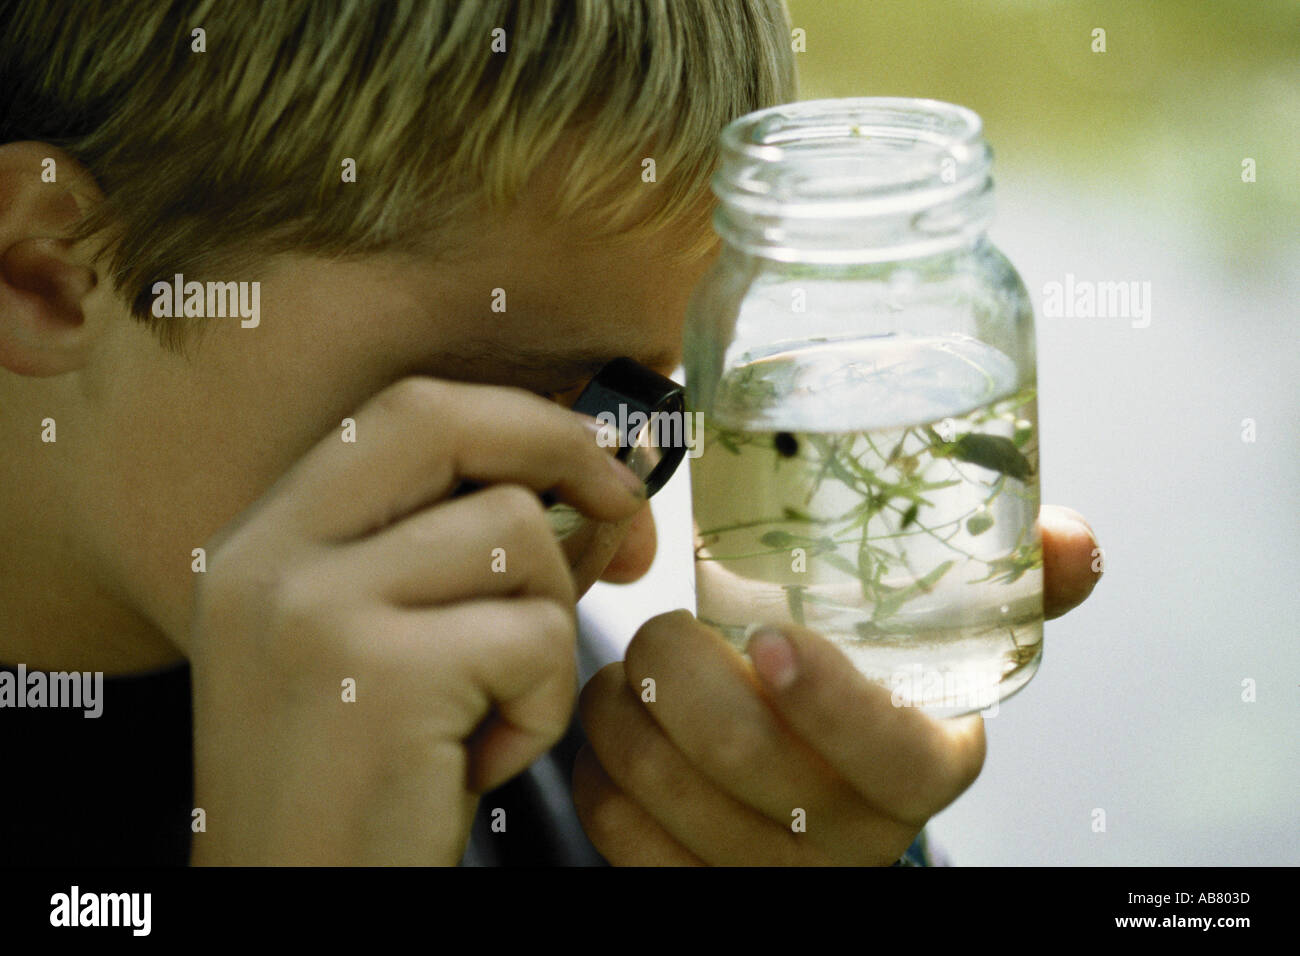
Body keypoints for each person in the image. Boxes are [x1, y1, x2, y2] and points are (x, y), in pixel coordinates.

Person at [0, 0, 1102, 866]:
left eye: (641, 417)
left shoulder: (543, 745)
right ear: (48, 273)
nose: (627, 550)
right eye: (512, 419)